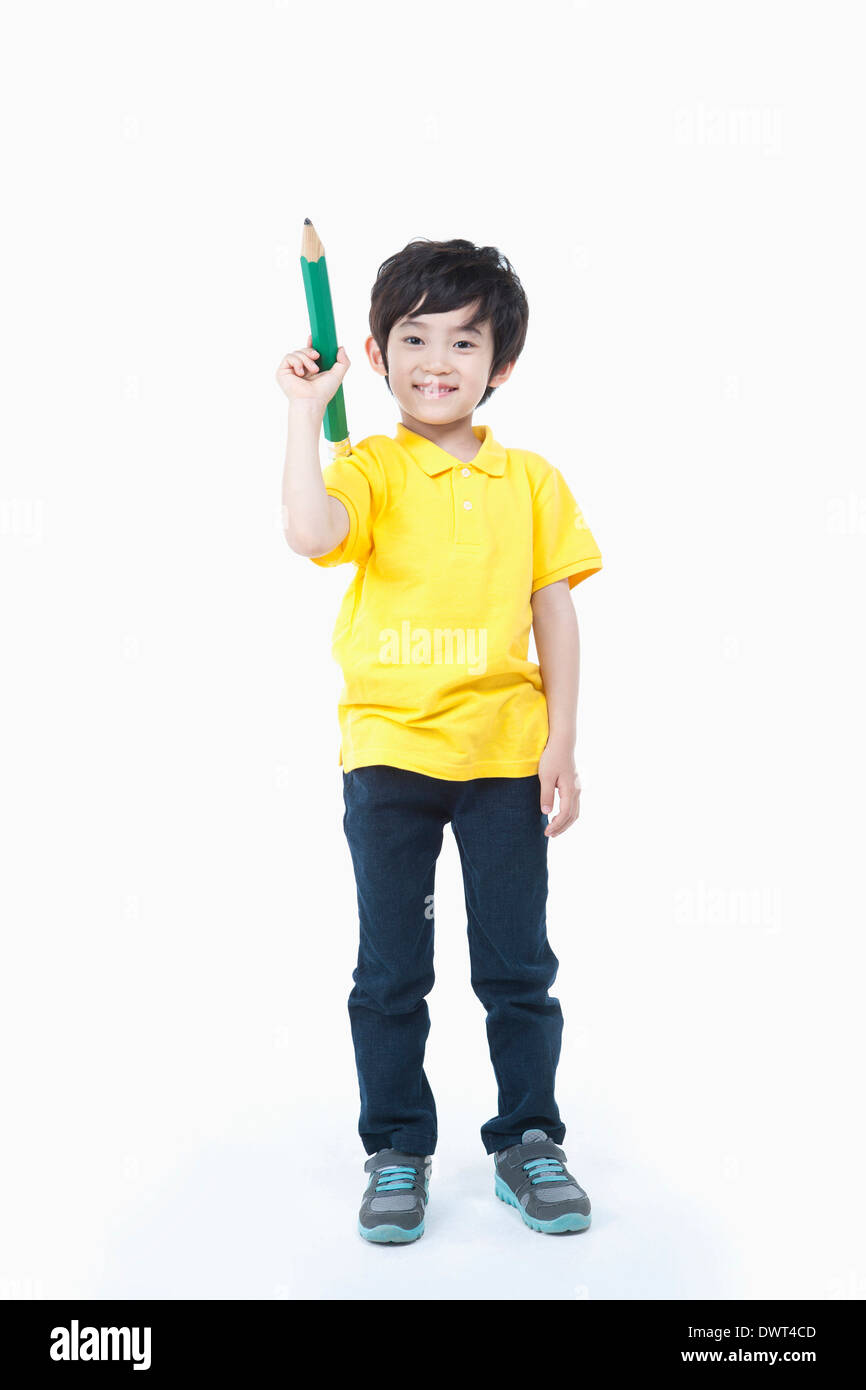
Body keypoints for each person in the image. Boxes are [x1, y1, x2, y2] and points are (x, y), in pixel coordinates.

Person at [277, 239, 602, 1243]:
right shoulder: (367, 466)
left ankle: (526, 1139)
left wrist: (562, 741)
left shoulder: (531, 480)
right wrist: (302, 414)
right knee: (390, 972)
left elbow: (553, 610)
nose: (436, 360)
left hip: (504, 760)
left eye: (463, 340)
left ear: (498, 363)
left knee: (517, 967)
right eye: (413, 337)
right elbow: (308, 530)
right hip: (389, 762)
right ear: (373, 354)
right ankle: (396, 1151)